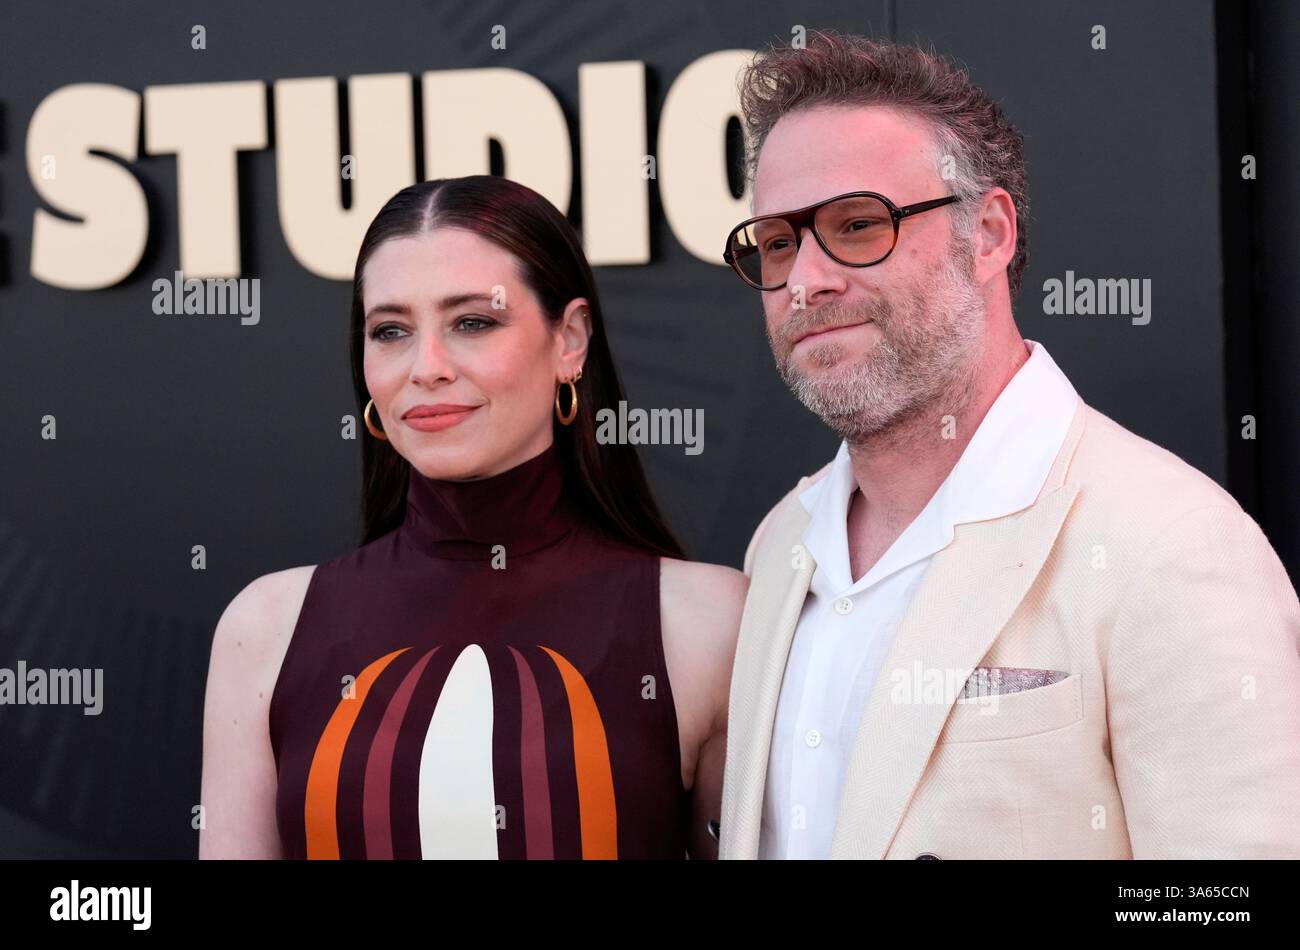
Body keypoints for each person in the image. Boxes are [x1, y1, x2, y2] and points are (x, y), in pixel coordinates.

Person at [718, 30, 1300, 859]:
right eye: (778, 243)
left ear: (989, 235)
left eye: (856, 225)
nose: (807, 280)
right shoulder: (779, 545)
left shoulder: (1171, 544)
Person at [199, 175, 745, 859]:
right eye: (391, 331)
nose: (425, 367)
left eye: (472, 322)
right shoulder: (266, 627)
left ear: (570, 339)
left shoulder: (708, 621)